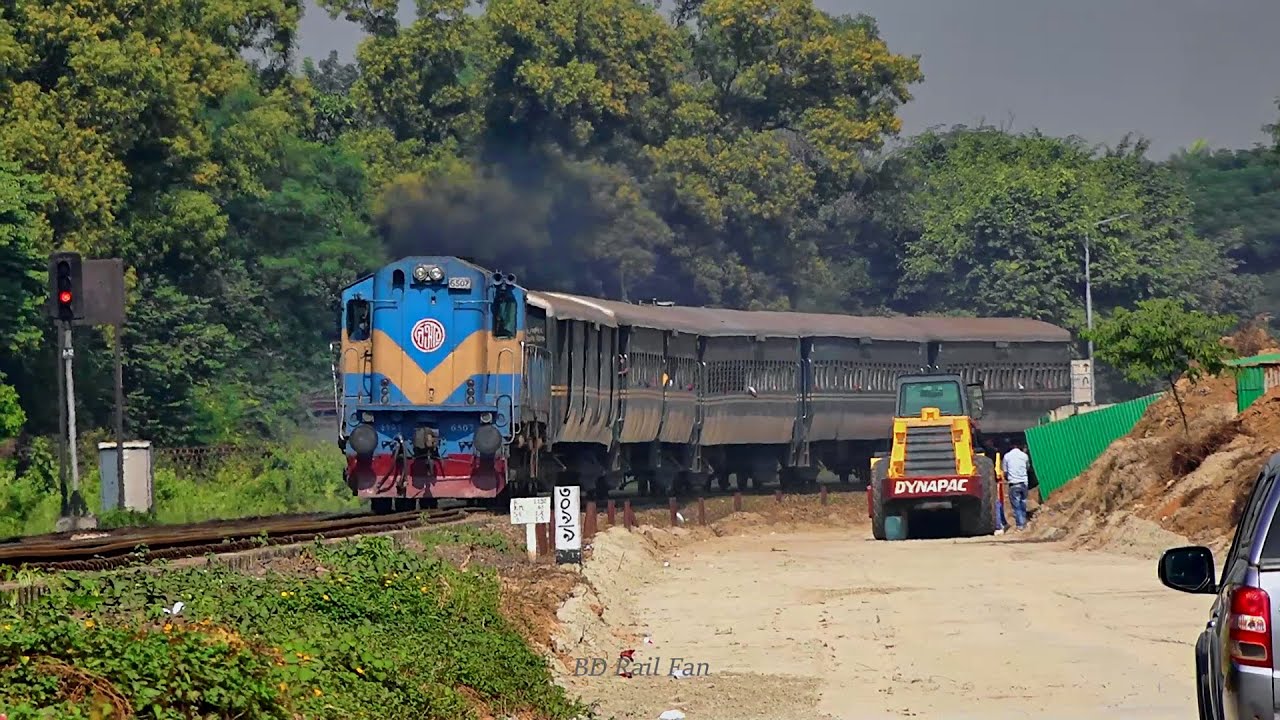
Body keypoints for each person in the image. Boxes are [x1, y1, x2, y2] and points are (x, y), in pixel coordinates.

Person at [1001, 441, 1031, 530]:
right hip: (1024, 483)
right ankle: (1024, 522)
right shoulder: (1024, 456)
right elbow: (1027, 467)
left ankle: (1020, 525)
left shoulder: (1007, 456)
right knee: (1023, 502)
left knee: (1016, 506)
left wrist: (1008, 478)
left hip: (1013, 483)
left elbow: (1005, 471)